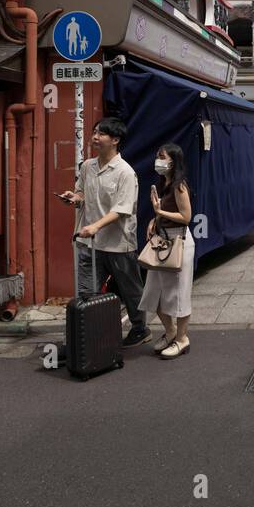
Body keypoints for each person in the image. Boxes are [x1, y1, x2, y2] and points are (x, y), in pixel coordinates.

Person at [59, 118, 151, 348]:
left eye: (101, 134)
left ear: (116, 140)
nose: (95, 137)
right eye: (94, 132)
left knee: (130, 290)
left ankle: (140, 328)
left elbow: (122, 209)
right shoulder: (87, 166)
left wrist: (96, 226)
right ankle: (87, 335)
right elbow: (82, 194)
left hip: (118, 243)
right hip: (89, 243)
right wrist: (74, 198)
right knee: (86, 291)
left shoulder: (125, 172)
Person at [140, 143, 196, 359]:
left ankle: (182, 339)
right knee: (153, 292)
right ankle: (171, 331)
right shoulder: (164, 182)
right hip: (162, 240)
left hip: (179, 241)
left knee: (179, 293)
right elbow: (165, 213)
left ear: (174, 161)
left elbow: (186, 217)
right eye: (157, 156)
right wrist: (155, 220)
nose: (158, 160)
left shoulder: (179, 186)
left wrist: (159, 211)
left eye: (162, 157)